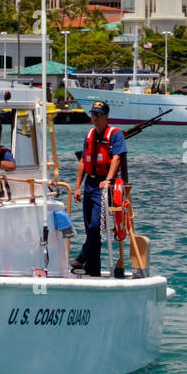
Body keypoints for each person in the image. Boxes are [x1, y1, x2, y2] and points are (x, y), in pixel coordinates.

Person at [72, 101, 129, 277]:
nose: (94, 118)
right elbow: (82, 161)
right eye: (93, 114)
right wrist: (77, 187)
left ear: (106, 117)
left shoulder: (115, 134)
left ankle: (82, 256)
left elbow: (117, 158)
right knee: (89, 226)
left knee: (97, 225)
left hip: (102, 186)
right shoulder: (89, 134)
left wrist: (108, 179)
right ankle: (93, 270)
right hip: (89, 183)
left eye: (98, 115)